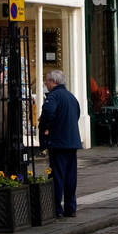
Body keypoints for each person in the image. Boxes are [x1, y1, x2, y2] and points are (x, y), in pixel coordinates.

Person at [39, 69, 80, 218]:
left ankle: (56, 208)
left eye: (47, 81)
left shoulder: (54, 96)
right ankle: (71, 207)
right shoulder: (71, 97)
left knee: (57, 176)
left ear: (53, 82)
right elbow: (76, 114)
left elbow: (48, 113)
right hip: (72, 141)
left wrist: (45, 127)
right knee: (70, 177)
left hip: (58, 142)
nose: (45, 84)